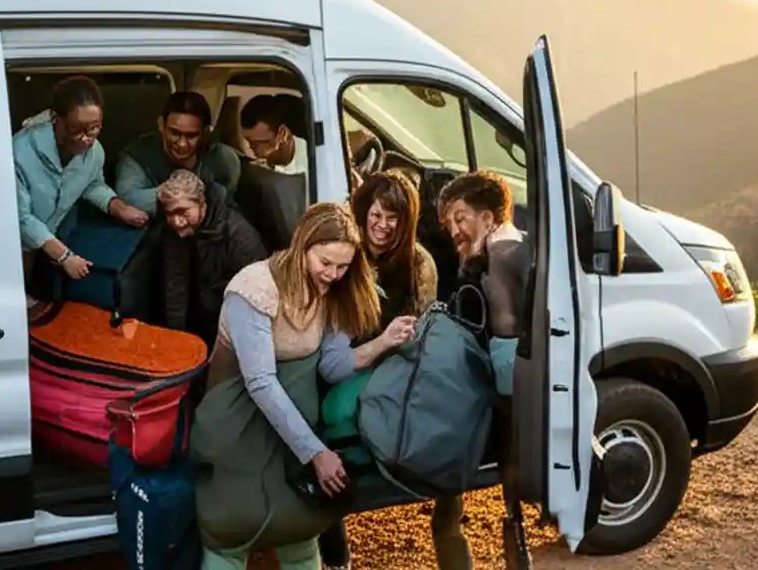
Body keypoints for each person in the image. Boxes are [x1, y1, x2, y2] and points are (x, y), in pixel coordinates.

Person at [190, 202, 415, 570]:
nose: (333, 274)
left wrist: (384, 341)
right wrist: (316, 453)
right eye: (325, 263)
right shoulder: (254, 288)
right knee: (230, 526)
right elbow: (260, 381)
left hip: (292, 430)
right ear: (302, 246)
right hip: (237, 426)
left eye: (343, 267)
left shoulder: (332, 292)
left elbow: (333, 365)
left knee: (299, 526)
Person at [316, 171, 439, 570]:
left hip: (393, 364)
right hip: (346, 356)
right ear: (363, 211)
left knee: (338, 416)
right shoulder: (347, 255)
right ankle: (334, 551)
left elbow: (423, 329)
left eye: (394, 220)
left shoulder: (418, 264)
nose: (383, 226)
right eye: (377, 215)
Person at [435, 169, 532, 570]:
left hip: (507, 368)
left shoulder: (506, 253)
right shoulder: (496, 250)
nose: (454, 229)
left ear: (489, 218)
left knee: (506, 449)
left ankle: (513, 536)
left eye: (460, 218)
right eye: (449, 223)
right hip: (498, 363)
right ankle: (514, 534)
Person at [12, 75, 148, 317]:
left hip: (47, 245)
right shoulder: (20, 152)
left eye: (94, 127)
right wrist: (65, 256)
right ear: (57, 119)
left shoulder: (94, 151)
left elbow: (91, 183)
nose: (87, 138)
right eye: (77, 129)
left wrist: (118, 207)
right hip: (13, 248)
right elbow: (20, 218)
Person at [157, 169, 268, 346]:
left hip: (233, 321)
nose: (177, 221)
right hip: (197, 315)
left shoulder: (241, 237)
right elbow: (175, 283)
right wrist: (175, 336)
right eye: (170, 214)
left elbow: (255, 296)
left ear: (203, 204)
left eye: (183, 212)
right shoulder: (174, 231)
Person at [115, 91, 242, 216]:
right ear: (161, 125)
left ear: (205, 132)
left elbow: (227, 206)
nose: (182, 143)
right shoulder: (138, 154)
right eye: (174, 133)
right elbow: (127, 198)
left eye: (191, 136)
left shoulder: (223, 159)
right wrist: (173, 193)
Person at [240, 94, 308, 175]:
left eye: (256, 143)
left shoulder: (314, 160)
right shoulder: (254, 170)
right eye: (248, 140)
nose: (250, 148)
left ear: (283, 134)